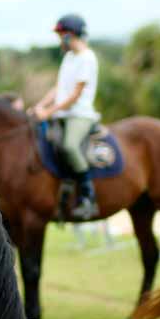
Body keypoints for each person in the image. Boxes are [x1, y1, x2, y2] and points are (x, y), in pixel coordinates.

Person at [31, 13, 100, 220]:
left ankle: (89, 195)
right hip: (62, 113)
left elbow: (75, 95)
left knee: (69, 145)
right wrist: (39, 106)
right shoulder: (69, 57)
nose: (60, 39)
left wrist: (48, 112)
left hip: (80, 114)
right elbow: (59, 88)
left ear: (71, 35)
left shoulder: (87, 58)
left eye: (62, 35)